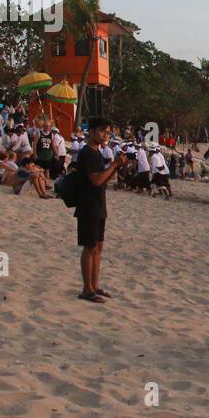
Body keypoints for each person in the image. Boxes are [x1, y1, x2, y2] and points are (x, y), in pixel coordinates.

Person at [73, 117, 127, 303]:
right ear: (92, 131)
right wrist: (113, 165)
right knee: (90, 247)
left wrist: (116, 166)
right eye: (103, 131)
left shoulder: (97, 152)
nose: (106, 134)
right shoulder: (87, 153)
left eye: (108, 131)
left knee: (98, 246)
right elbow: (95, 180)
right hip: (89, 205)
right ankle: (87, 289)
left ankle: (94, 286)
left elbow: (104, 179)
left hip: (98, 203)